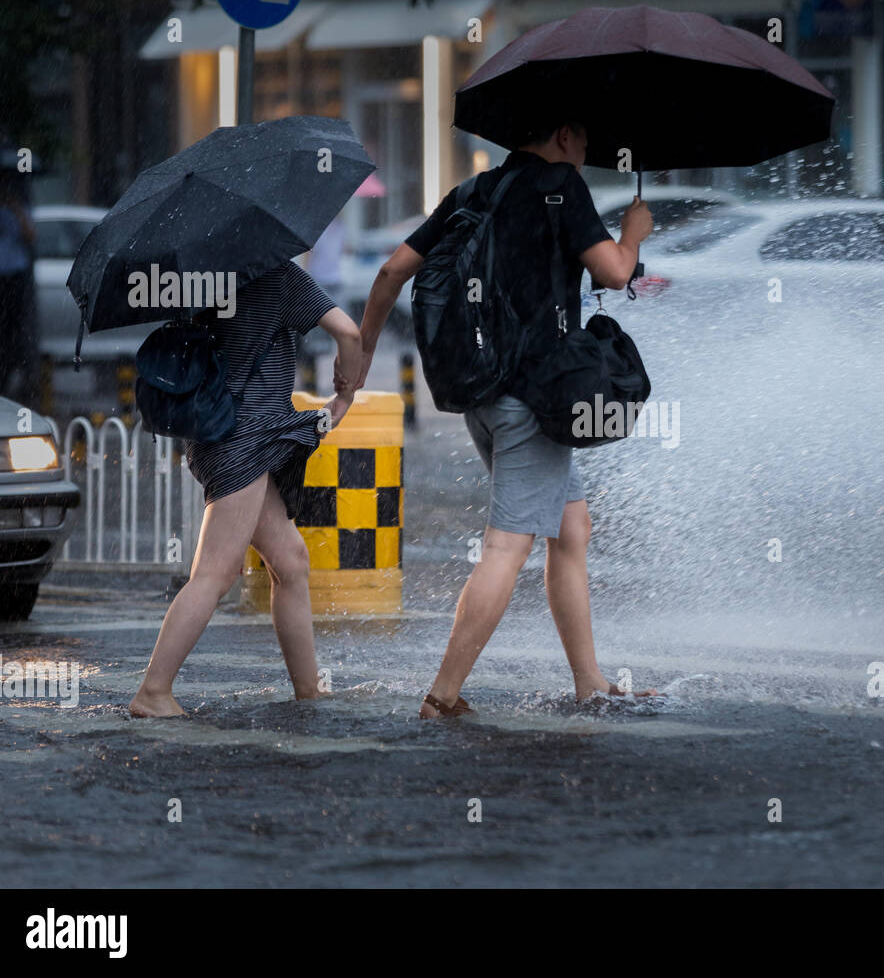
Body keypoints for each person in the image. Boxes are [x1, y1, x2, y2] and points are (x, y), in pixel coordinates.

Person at [356, 118, 659, 718]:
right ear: (568, 134)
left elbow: (392, 272)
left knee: (571, 530)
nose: (587, 154)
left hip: (482, 392)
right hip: (536, 401)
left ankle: (590, 681)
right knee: (507, 545)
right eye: (587, 142)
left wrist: (361, 353)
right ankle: (442, 696)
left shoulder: (476, 190)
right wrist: (633, 233)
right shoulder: (561, 186)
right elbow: (615, 273)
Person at [129, 261, 364, 718]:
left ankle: (309, 691)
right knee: (215, 574)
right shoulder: (278, 276)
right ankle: (153, 692)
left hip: (213, 430)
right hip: (246, 440)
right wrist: (346, 392)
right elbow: (349, 334)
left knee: (291, 561)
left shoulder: (200, 278)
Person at [0, 173, 37, 403]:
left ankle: (5, 377)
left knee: (10, 333)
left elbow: (31, 236)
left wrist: (15, 211)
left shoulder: (18, 209)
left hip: (13, 279)